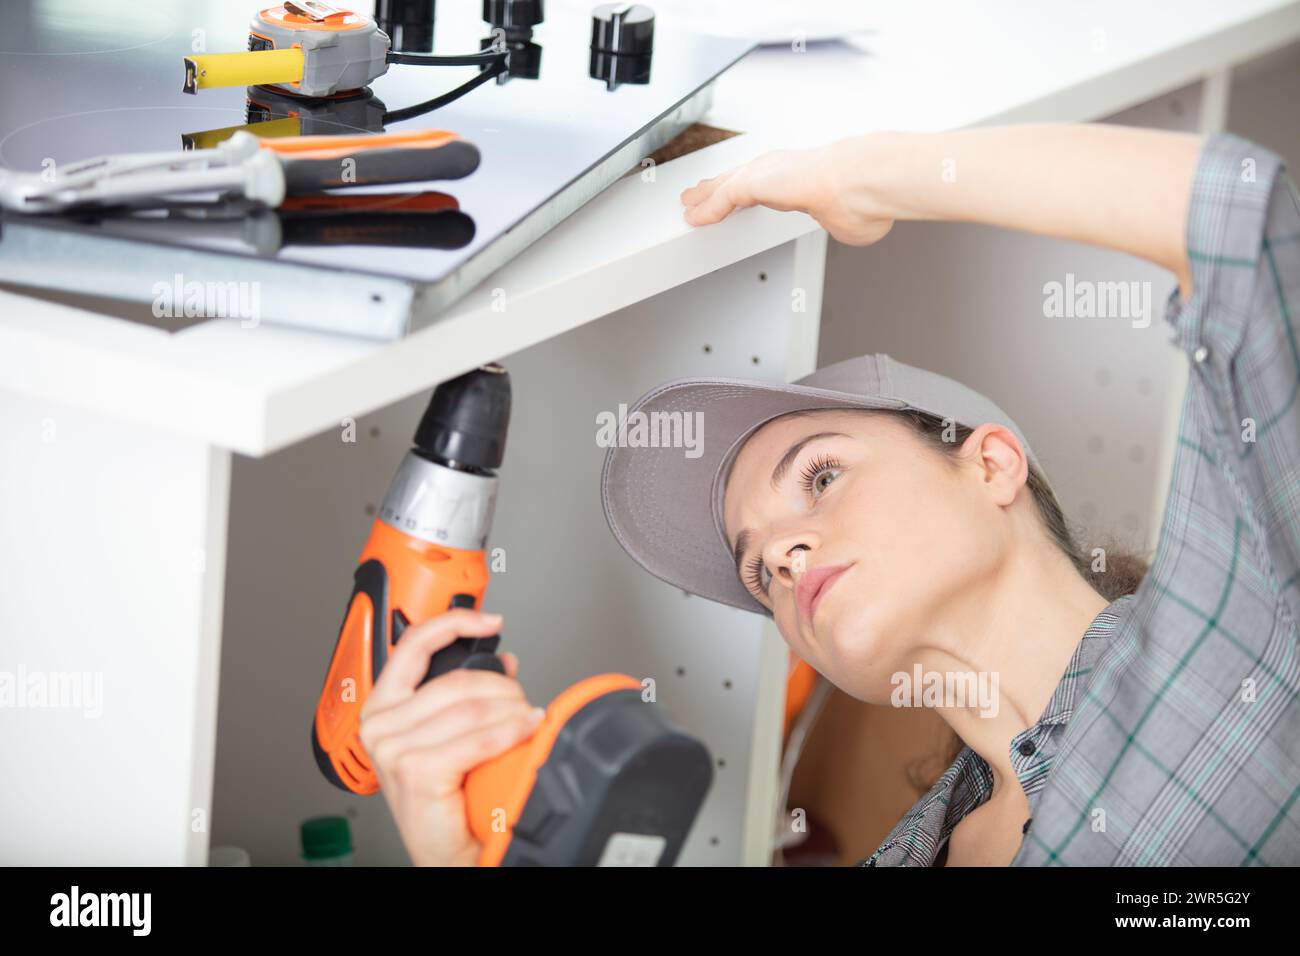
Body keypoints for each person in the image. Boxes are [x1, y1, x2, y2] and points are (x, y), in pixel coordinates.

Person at [362, 123, 1300, 866]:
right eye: (756, 572)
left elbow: (1245, 220)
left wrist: (880, 173)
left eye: (820, 476)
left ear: (991, 465)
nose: (778, 557)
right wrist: (461, 855)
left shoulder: (1235, 639)